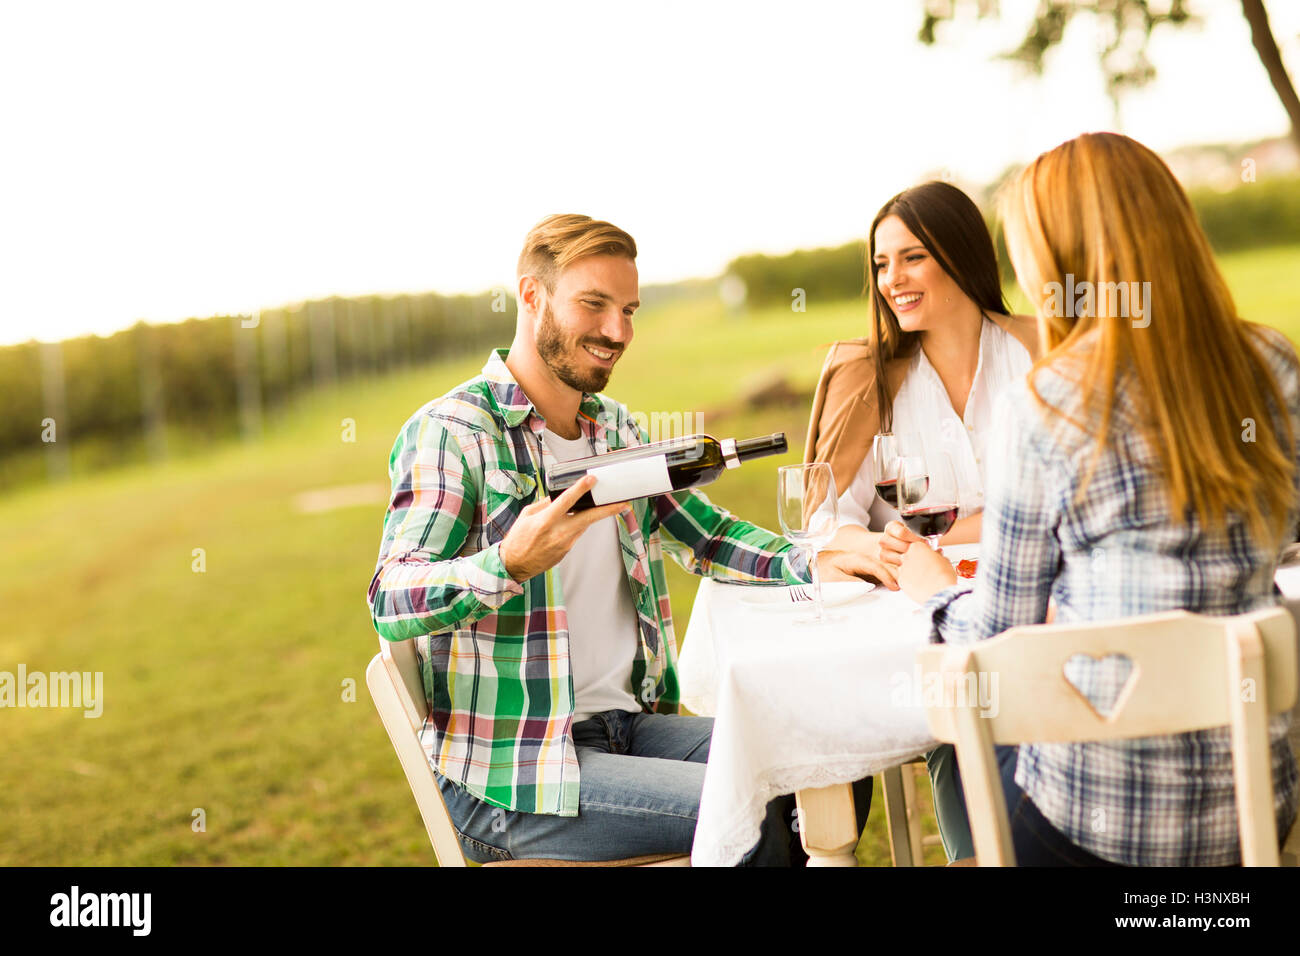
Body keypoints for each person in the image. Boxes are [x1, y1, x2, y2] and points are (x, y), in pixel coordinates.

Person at [367, 214, 889, 865]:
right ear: (531, 296)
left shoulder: (612, 428)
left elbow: (706, 535)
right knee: (748, 813)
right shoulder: (454, 432)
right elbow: (391, 598)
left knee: (834, 760)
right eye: (594, 304)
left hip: (629, 728)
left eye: (630, 310)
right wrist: (508, 562)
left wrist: (818, 558)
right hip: (515, 776)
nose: (618, 332)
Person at [898, 131, 1300, 866]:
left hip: (1096, 829)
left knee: (976, 760)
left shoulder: (1048, 401)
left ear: (1057, 260)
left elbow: (995, 630)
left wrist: (931, 589)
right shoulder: (1275, 365)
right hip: (1255, 811)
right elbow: (1281, 535)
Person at [803, 180, 1040, 861]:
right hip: (918, 622)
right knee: (956, 712)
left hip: (1036, 605)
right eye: (881, 264)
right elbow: (824, 522)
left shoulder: (1039, 354)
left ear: (961, 256)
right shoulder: (865, 379)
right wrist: (875, 547)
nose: (891, 281)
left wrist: (946, 535)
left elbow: (1079, 501)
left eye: (911, 258)